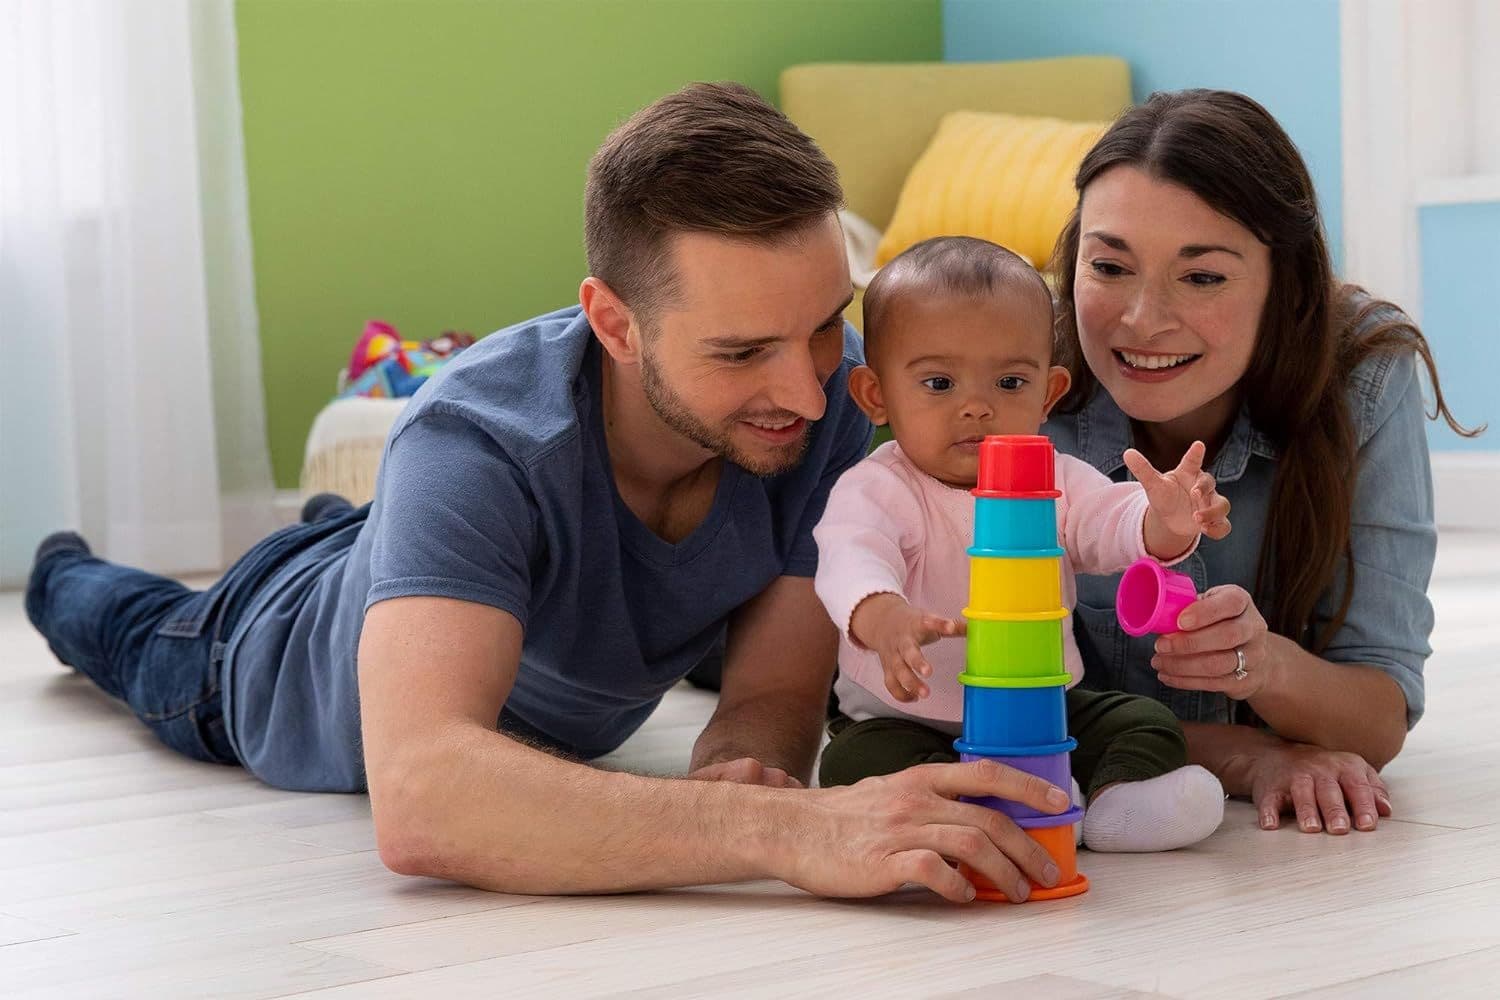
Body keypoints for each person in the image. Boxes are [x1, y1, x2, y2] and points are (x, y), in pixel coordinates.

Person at [25, 82, 1076, 905]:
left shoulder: (834, 396)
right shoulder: (476, 440)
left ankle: (356, 534)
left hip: (451, 576)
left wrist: (747, 774)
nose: (809, 391)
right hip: (248, 654)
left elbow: (774, 696)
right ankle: (64, 566)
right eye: (741, 351)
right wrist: (792, 831)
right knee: (108, 616)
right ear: (615, 324)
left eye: (820, 324)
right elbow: (424, 797)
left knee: (399, 539)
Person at [1043, 88, 1480, 835]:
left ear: (1284, 284)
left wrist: (1263, 663)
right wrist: (1244, 755)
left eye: (1202, 277)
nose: (1142, 320)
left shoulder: (1363, 376)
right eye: (1109, 266)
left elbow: (1379, 715)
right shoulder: (1016, 385)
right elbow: (981, 708)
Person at [813, 236, 1229, 853]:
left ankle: (1114, 807)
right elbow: (851, 555)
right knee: (854, 764)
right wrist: (883, 616)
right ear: (876, 396)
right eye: (938, 383)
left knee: (1146, 723)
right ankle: (988, 809)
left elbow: (1111, 523)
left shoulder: (1055, 477)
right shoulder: (878, 487)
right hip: (908, 719)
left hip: (1041, 713)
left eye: (1009, 382)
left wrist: (1166, 520)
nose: (977, 407)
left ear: (1048, 394)